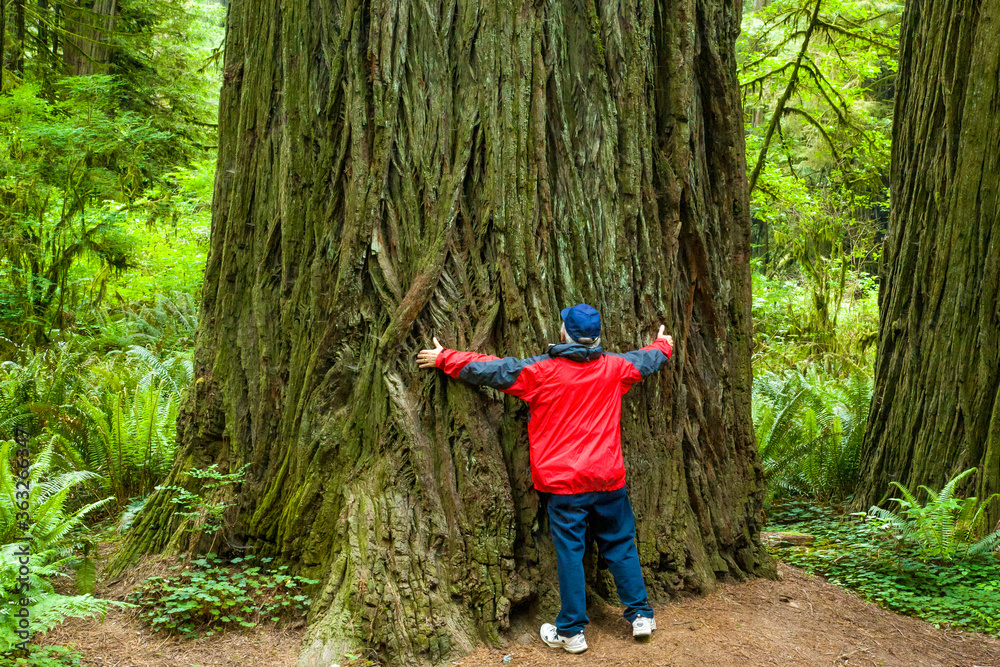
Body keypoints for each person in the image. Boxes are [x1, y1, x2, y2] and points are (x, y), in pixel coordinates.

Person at [416, 303, 673, 654]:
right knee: (620, 544)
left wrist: (446, 358)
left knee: (570, 553)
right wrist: (664, 345)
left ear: (565, 332)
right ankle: (641, 615)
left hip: (565, 486)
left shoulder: (541, 372)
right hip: (608, 478)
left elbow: (494, 370)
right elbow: (648, 360)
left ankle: (571, 630)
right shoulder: (615, 368)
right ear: (596, 336)